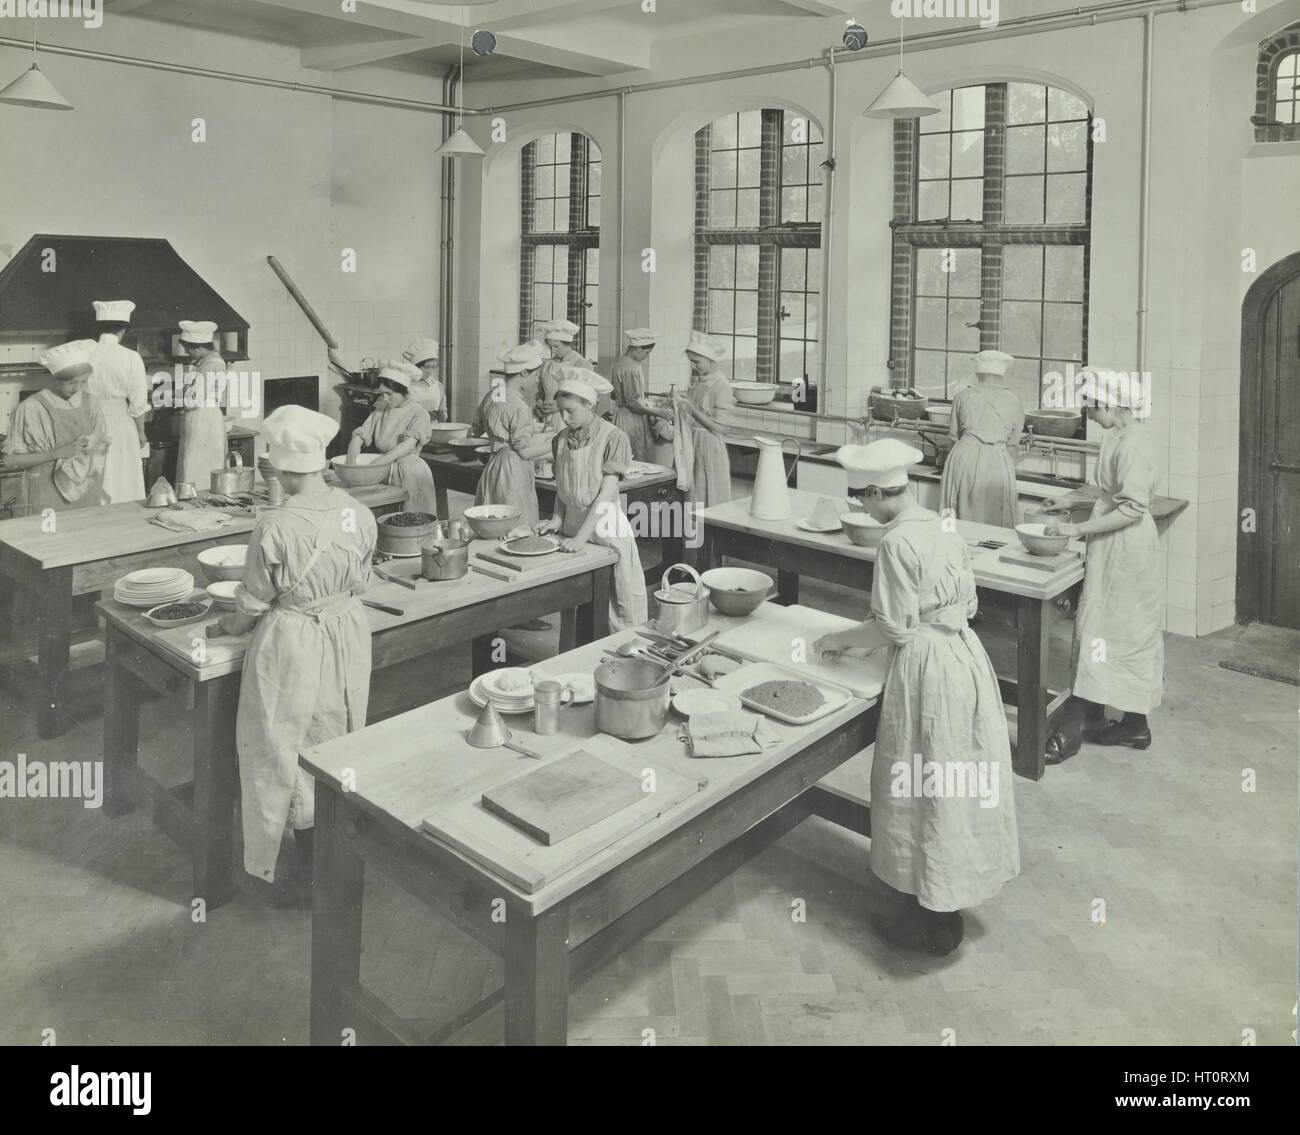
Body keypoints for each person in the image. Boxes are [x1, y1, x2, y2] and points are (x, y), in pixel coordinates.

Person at [812, 438, 1019, 956]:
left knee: (921, 782)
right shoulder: (943, 525)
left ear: (878, 493)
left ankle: (929, 920)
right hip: (965, 660)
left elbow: (894, 628)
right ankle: (944, 900)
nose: (862, 510)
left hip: (928, 671)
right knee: (951, 782)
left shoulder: (894, 543)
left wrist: (838, 639)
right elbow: (966, 603)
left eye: (862, 500)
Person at [210, 405, 376, 906]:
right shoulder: (358, 511)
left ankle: (304, 879)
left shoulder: (274, 524)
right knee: (338, 733)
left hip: (295, 639)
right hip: (347, 632)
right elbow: (362, 579)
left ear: (280, 469)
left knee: (286, 746)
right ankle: (338, 863)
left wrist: (227, 627)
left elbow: (254, 600)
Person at [1043, 369, 1163, 757]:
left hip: (1127, 548)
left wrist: (1078, 530)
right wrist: (1070, 502)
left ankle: (1077, 725)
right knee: (1116, 630)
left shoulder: (1136, 444)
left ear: (1111, 404)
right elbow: (1109, 494)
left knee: (1108, 629)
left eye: (1092, 409)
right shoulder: (1118, 437)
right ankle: (1131, 725)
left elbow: (1131, 508)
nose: (1090, 416)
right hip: (1116, 544)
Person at [537, 369, 648, 631]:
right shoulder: (560, 439)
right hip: (572, 528)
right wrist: (557, 518)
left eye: (570, 411)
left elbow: (605, 496)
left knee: (619, 604)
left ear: (590, 404)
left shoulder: (613, 438)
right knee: (577, 604)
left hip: (605, 529)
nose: (564, 418)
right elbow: (562, 485)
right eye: (561, 411)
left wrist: (580, 538)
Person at [2, 340, 108, 516]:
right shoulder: (31, 407)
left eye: (83, 382)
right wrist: (57, 453)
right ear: (56, 378)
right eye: (72, 382)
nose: (77, 388)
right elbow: (9, 460)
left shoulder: (91, 403)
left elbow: (100, 447)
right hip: (45, 496)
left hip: (86, 495)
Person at [939, 349, 1025, 527]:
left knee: (953, 514)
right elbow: (1013, 442)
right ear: (1002, 373)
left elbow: (954, 435)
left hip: (963, 457)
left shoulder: (962, 395)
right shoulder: (1014, 401)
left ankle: (950, 540)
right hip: (998, 462)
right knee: (997, 516)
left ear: (978, 372)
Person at [472, 343, 553, 529]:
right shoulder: (519, 406)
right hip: (513, 469)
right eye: (536, 375)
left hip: (494, 465)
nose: (537, 381)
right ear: (524, 373)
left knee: (493, 523)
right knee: (516, 524)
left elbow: (475, 430)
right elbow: (524, 452)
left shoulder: (492, 395)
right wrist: (554, 443)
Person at [346, 362, 440, 516]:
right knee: (386, 518)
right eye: (382, 393)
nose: (384, 398)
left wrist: (371, 467)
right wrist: (350, 466)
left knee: (410, 519)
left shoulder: (419, 413)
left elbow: (406, 447)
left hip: (410, 474)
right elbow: (359, 435)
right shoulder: (381, 410)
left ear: (404, 392)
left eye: (389, 393)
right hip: (383, 469)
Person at [87, 299, 149, 503]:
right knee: (122, 478)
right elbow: (138, 402)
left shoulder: (85, 353)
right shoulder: (130, 357)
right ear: (123, 329)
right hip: (120, 424)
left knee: (97, 476)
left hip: (89, 422)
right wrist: (141, 431)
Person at [676, 330, 734, 508]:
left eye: (696, 362)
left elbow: (722, 429)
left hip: (709, 446)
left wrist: (692, 410)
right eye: (691, 362)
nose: (693, 366)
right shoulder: (699, 381)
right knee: (691, 497)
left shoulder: (721, 386)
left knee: (708, 497)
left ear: (710, 358)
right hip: (691, 443)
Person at [176, 319, 229, 489]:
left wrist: (176, 398)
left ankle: (198, 499)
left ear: (198, 347)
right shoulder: (208, 361)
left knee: (198, 465)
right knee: (199, 463)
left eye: (188, 349)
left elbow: (193, 399)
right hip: (204, 416)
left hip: (203, 418)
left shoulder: (210, 365)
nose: (187, 353)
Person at [611, 328, 671, 464]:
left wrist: (640, 400)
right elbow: (633, 405)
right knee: (637, 458)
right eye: (646, 352)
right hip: (632, 420)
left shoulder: (620, 364)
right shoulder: (632, 369)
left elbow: (613, 395)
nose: (646, 357)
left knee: (623, 456)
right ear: (637, 349)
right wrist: (658, 412)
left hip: (620, 416)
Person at [535, 319, 586, 432]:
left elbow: (586, 399)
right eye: (550, 347)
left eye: (556, 346)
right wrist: (540, 402)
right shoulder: (547, 365)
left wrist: (560, 405)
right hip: (548, 419)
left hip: (571, 418)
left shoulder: (580, 363)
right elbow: (541, 392)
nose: (553, 350)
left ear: (567, 343)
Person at [401, 337, 447, 422]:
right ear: (416, 366)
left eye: (433, 367)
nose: (429, 371)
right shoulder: (406, 386)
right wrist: (425, 416)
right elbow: (401, 416)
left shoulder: (438, 386)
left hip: (434, 428)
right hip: (412, 428)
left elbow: (444, 414)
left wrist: (442, 415)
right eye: (426, 367)